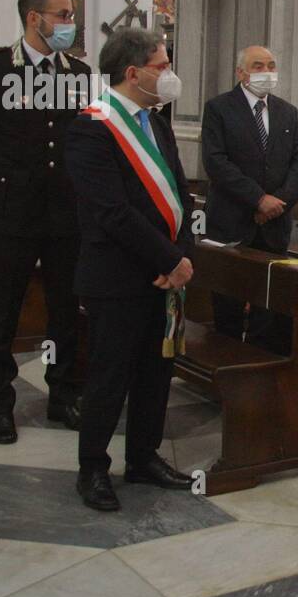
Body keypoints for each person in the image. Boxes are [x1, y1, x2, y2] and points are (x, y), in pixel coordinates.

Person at [0, 0, 92, 444]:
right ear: (36, 19)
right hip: (9, 213)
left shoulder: (79, 72)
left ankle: (62, 393)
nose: (69, 23)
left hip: (63, 215)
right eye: (63, 14)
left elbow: (81, 141)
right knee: (2, 310)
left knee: (64, 311)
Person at [65, 28, 196, 512]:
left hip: (166, 275)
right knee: (109, 374)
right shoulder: (91, 127)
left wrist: (183, 258)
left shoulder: (157, 122)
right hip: (117, 276)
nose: (169, 75)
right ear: (132, 72)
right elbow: (110, 212)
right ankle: (93, 468)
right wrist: (170, 259)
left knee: (156, 372)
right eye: (162, 66)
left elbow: (180, 196)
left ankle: (143, 457)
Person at [200, 45, 298, 351]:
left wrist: (278, 203)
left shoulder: (288, 112)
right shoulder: (219, 108)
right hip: (231, 222)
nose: (266, 72)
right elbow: (217, 163)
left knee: (268, 310)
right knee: (228, 307)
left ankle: (258, 376)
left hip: (274, 227)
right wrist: (258, 200)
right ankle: (226, 371)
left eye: (271, 65)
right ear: (241, 73)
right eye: (258, 66)